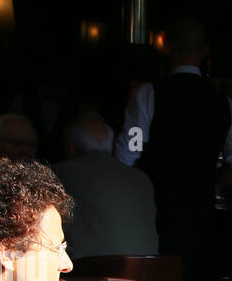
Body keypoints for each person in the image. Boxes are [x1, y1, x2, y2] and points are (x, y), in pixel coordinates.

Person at [115, 17, 232, 281]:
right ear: (204, 52)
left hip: (152, 217)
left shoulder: (148, 95)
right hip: (201, 220)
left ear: (166, 46)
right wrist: (206, 181)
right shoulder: (222, 104)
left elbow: (125, 159)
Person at [52, 111, 158, 259]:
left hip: (91, 275)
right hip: (146, 274)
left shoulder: (57, 175)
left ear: (70, 146)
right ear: (112, 145)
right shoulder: (142, 179)